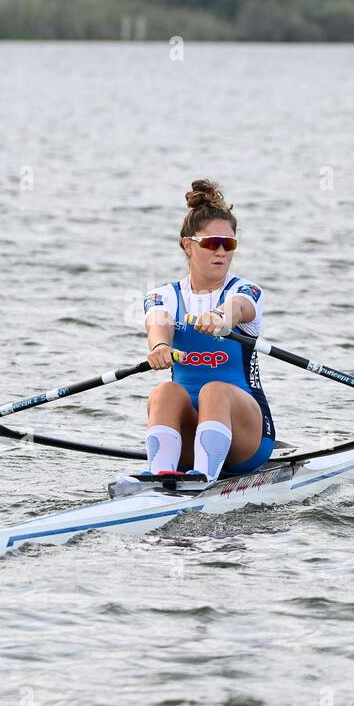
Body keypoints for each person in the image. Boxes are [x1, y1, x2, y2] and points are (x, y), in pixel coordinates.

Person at [141, 179, 275, 481]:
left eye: (229, 244)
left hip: (247, 437)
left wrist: (220, 317)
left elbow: (238, 308)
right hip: (189, 431)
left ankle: (203, 477)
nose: (222, 252)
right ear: (188, 245)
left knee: (213, 391)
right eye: (212, 243)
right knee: (164, 392)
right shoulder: (164, 295)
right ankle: (159, 476)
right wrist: (159, 348)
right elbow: (157, 323)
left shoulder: (244, 290)